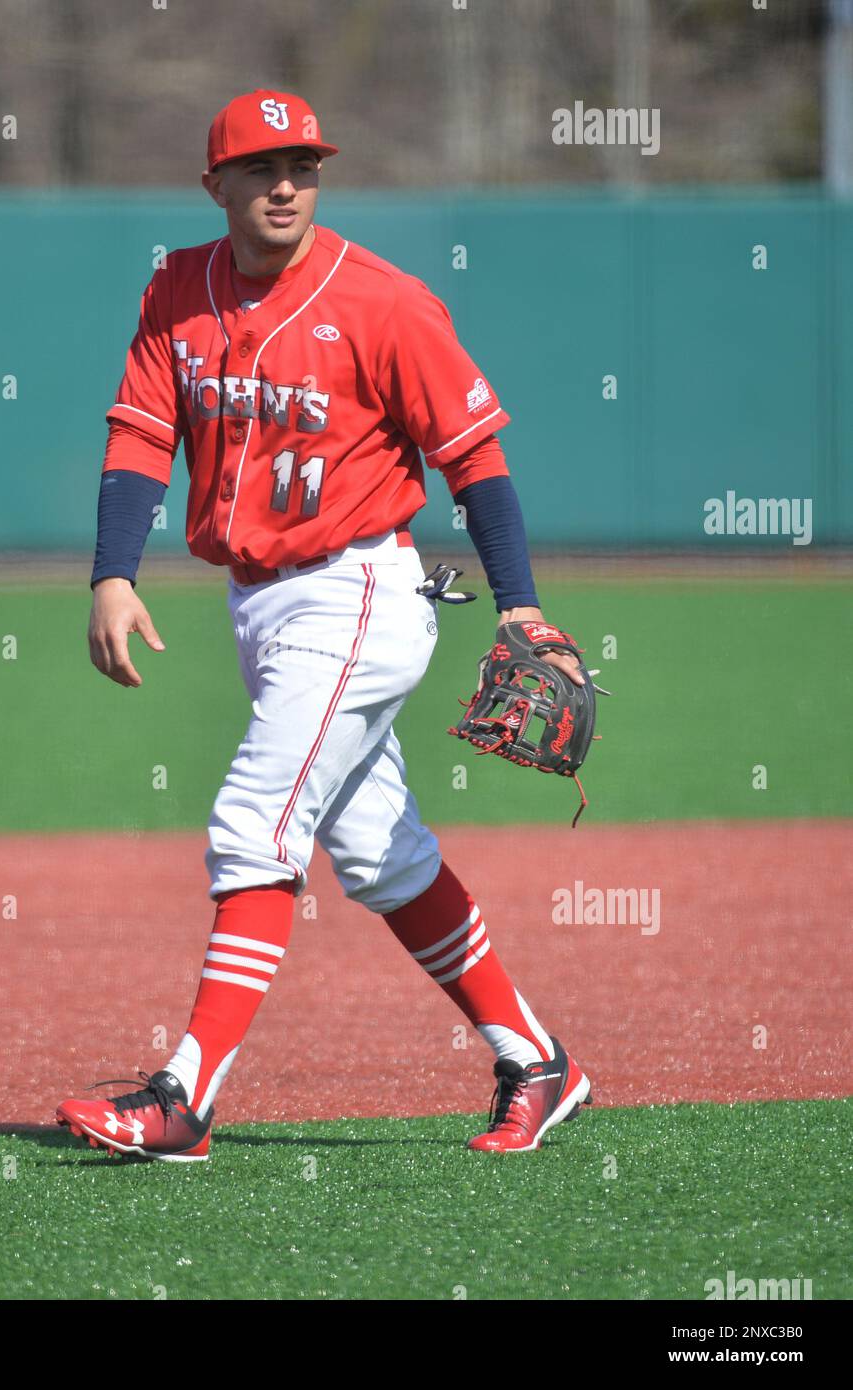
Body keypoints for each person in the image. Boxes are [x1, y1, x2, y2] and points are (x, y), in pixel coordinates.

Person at [56, 90, 591, 1162]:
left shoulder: (384, 302)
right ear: (216, 188)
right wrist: (114, 573)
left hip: (358, 592)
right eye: (260, 168)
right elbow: (140, 431)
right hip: (259, 604)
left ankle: (185, 1099)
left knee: (255, 820)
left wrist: (521, 601)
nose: (286, 183)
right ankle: (537, 1059)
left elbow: (474, 460)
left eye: (302, 163)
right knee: (382, 854)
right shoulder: (178, 290)